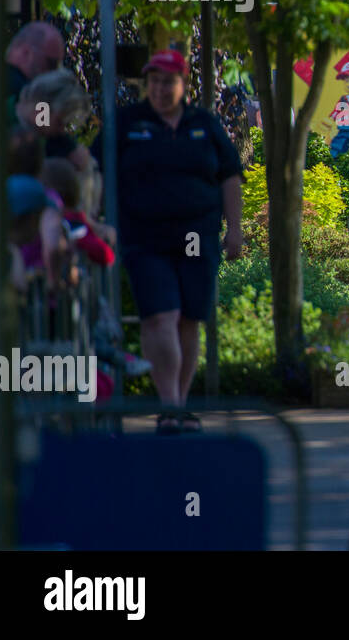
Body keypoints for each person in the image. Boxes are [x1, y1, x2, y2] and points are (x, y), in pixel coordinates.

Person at [92, 49, 244, 434]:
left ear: (184, 82)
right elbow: (93, 168)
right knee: (160, 315)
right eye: (153, 82)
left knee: (189, 319)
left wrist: (235, 230)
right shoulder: (127, 123)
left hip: (197, 236)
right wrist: (95, 219)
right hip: (145, 237)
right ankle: (170, 406)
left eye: (167, 81)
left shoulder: (204, 124)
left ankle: (180, 399)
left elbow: (229, 176)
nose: (159, 89)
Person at [5, 20, 65, 122]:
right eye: (51, 63)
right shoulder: (31, 98)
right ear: (26, 53)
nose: (54, 73)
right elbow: (46, 134)